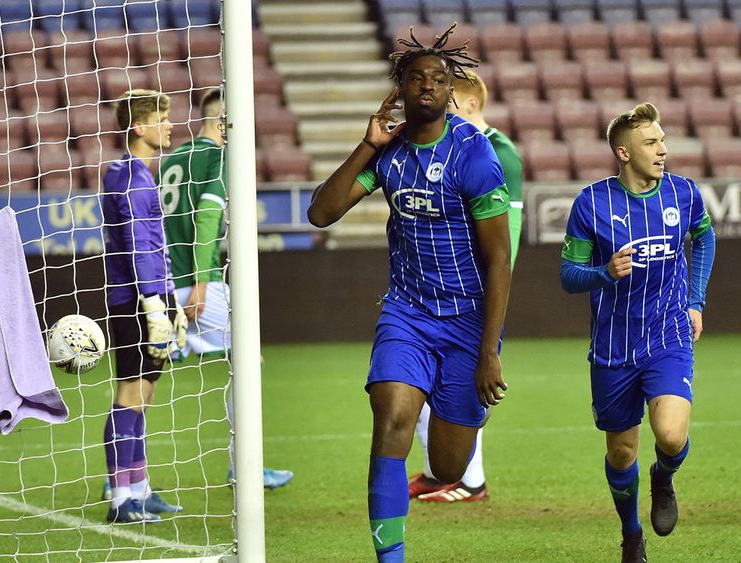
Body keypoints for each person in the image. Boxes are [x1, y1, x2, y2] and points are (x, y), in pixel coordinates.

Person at [307, 23, 512, 562]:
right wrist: (366, 145)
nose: (428, 85)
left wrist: (489, 351)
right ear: (400, 87)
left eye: (439, 79)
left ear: (450, 91)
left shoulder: (474, 155)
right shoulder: (389, 153)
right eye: (417, 77)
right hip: (408, 312)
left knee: (447, 466)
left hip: (468, 319)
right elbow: (322, 213)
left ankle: (458, 424)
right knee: (392, 419)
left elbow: (499, 259)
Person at [560, 102, 715, 562]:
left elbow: (704, 237)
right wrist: (603, 273)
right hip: (613, 346)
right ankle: (631, 535)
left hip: (668, 335)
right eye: (651, 143)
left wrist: (695, 300)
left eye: (662, 140)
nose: (662, 149)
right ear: (623, 153)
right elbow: (568, 275)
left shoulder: (684, 194)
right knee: (622, 452)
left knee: (671, 436)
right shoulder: (591, 203)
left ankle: (663, 477)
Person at [157, 87, 293, 490]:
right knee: (249, 362)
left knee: (140, 382)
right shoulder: (219, 158)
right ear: (224, 120)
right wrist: (202, 282)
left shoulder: (171, 160)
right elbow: (206, 220)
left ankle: (124, 478)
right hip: (201, 285)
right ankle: (246, 468)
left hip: (165, 285)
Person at [407, 68, 522, 503]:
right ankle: (442, 474)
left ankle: (467, 480)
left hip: (471, 295)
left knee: (462, 388)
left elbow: (507, 236)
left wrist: (493, 286)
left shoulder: (498, 152)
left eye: (449, 100)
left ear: (471, 103)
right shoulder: (446, 145)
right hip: (434, 290)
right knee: (422, 383)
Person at [101, 89, 188, 523]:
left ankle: (139, 488)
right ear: (139, 126)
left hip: (154, 292)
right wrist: (155, 306)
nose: (170, 125)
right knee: (130, 395)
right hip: (137, 297)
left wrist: (172, 304)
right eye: (162, 118)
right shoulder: (133, 179)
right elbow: (138, 246)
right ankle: (121, 498)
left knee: (145, 395)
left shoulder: (128, 173)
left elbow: (153, 245)